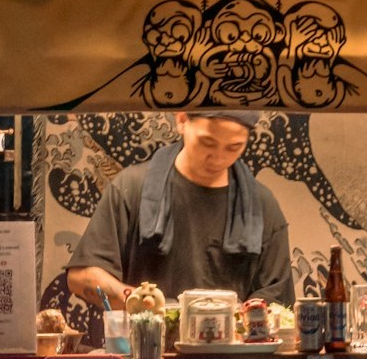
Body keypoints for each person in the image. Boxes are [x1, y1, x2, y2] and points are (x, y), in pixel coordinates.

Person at [67, 111, 294, 310]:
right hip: (148, 350)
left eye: (234, 147)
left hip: (234, 354)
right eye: (207, 142)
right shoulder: (132, 187)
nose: (219, 157)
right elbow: (81, 276)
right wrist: (138, 302)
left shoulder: (263, 206)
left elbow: (276, 300)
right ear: (182, 120)